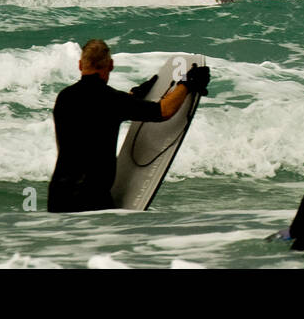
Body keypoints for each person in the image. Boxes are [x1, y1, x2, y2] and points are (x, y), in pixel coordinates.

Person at [48, 39, 211, 212]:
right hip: (92, 198)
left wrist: (134, 97)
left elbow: (91, 111)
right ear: (110, 65)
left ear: (80, 65)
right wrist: (187, 84)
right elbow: (164, 111)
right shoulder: (113, 100)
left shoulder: (64, 98)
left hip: (59, 196)